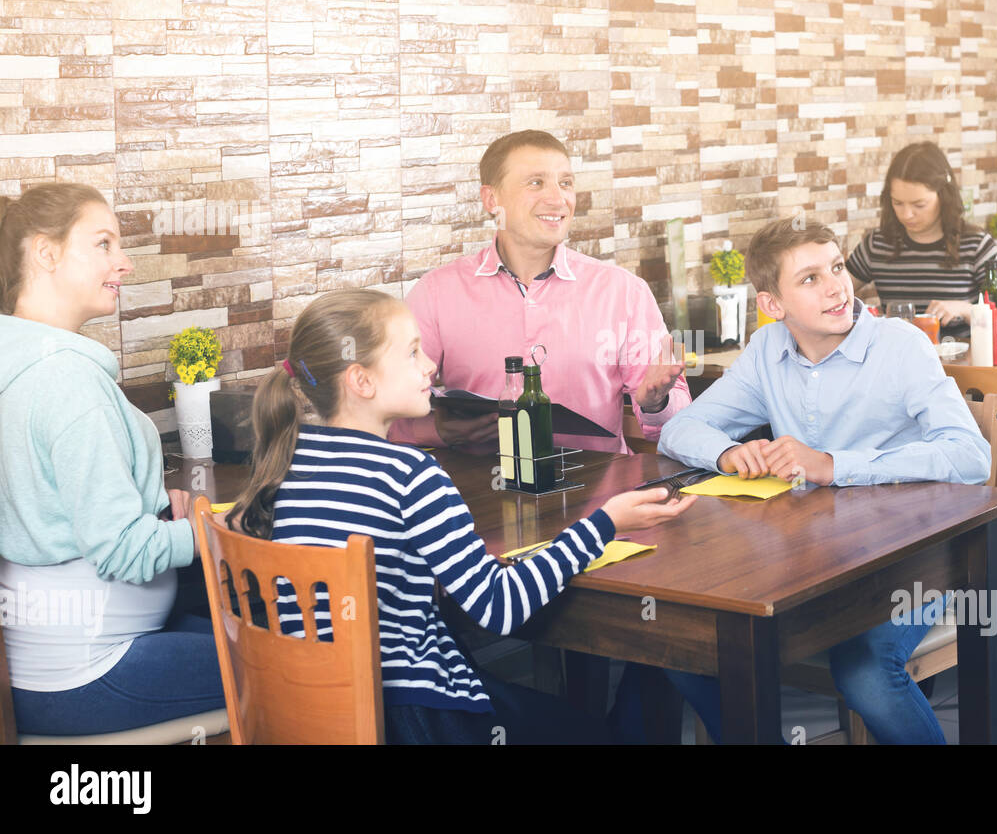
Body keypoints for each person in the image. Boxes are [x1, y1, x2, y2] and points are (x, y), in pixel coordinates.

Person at [227, 288, 696, 744]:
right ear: (361, 380)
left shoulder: (285, 461)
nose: (431, 366)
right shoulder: (409, 473)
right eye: (412, 354)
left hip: (314, 713)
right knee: (593, 732)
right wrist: (605, 523)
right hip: (417, 718)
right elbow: (500, 607)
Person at [647, 216, 991, 744]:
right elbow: (682, 428)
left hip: (912, 560)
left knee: (865, 672)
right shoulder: (767, 352)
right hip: (810, 565)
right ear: (773, 306)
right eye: (810, 278)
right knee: (682, 647)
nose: (836, 285)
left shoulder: (900, 346)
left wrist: (834, 464)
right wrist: (729, 452)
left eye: (835, 267)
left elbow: (971, 456)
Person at [0, 183, 225, 735]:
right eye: (103, 244)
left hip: (45, 667)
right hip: (88, 672)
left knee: (257, 625)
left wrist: (148, 505)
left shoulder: (21, 360)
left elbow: (54, 504)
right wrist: (216, 527)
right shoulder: (66, 380)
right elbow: (122, 552)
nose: (123, 263)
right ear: (45, 253)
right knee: (311, 653)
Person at [388, 129, 689, 454]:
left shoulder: (623, 291)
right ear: (491, 199)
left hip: (599, 492)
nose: (558, 199)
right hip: (482, 492)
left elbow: (681, 424)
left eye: (566, 183)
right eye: (536, 182)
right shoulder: (436, 293)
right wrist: (439, 429)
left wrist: (656, 402)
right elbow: (387, 408)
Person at [846, 141, 997, 329]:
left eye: (919, 205)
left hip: (959, 357)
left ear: (943, 196)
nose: (906, 214)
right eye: (897, 203)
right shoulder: (877, 244)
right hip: (897, 355)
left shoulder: (977, 246)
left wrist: (966, 309)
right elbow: (835, 290)